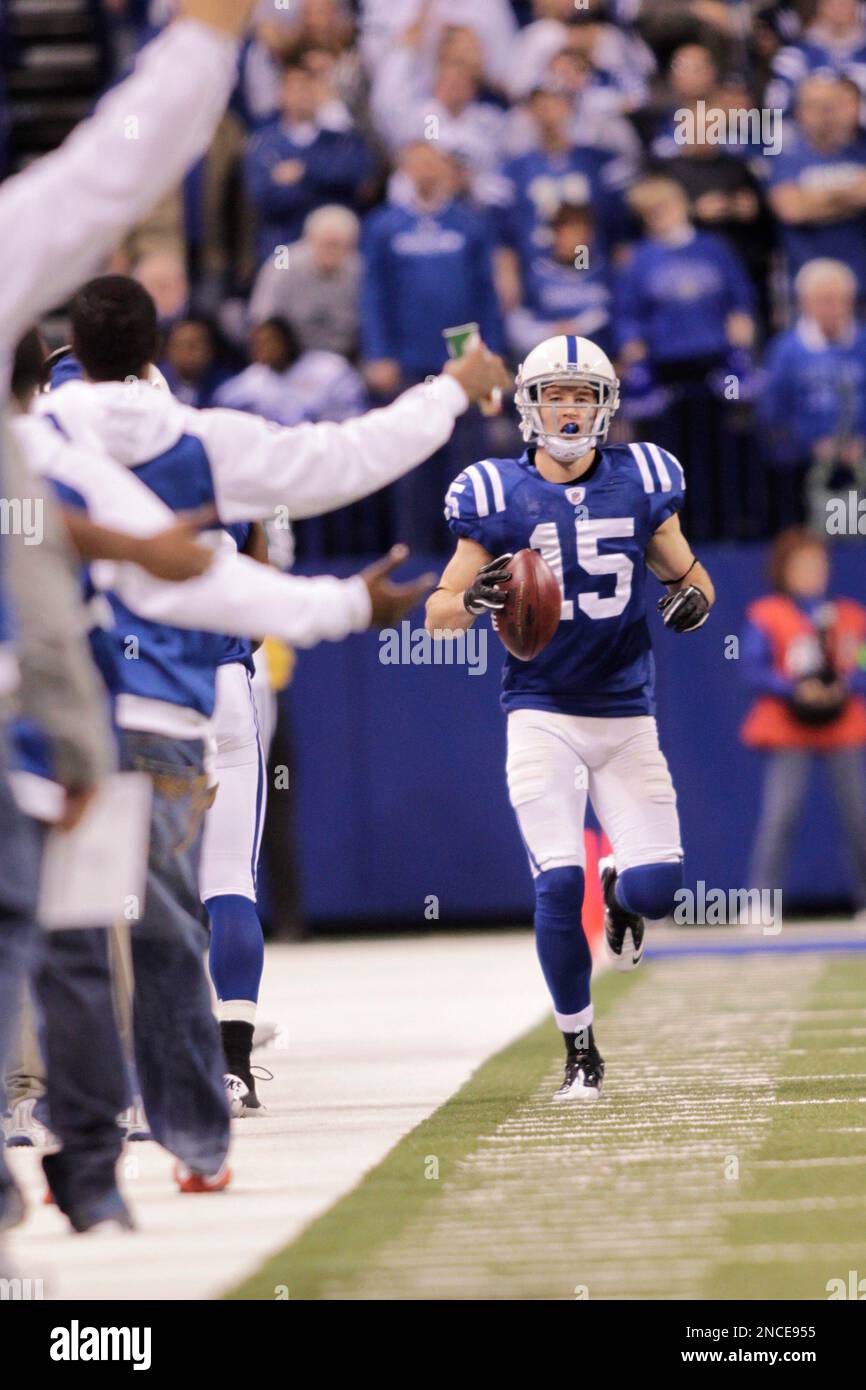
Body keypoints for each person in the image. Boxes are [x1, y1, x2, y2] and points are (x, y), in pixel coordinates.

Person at [36, 274, 511, 1121]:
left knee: (69, 914)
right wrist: (448, 391)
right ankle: (207, 1083)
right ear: (155, 353)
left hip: (76, 703)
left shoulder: (38, 440)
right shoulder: (203, 437)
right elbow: (343, 460)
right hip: (195, 694)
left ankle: (76, 1107)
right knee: (207, 889)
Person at [426, 333, 715, 1101]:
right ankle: (579, 1047)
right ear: (530, 404)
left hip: (626, 714)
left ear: (604, 406)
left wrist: (692, 601)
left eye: (582, 395)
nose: (568, 408)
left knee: (658, 888)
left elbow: (694, 578)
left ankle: (622, 890)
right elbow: (437, 614)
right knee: (557, 884)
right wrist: (475, 599)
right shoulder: (494, 492)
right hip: (542, 712)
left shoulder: (643, 478)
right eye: (556, 394)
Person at [740, 528, 866, 918]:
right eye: (803, 564)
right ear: (784, 570)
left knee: (859, 815)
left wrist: (843, 686)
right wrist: (795, 689)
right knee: (781, 815)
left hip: (841, 723)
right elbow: (752, 668)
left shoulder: (848, 615)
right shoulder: (767, 615)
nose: (813, 571)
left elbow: (862, 664)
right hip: (787, 725)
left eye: (818, 564)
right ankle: (762, 902)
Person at [758, 258, 866, 529]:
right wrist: (812, 444)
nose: (836, 309)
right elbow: (770, 414)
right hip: (801, 463)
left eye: (843, 300)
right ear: (804, 303)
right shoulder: (784, 351)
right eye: (826, 300)